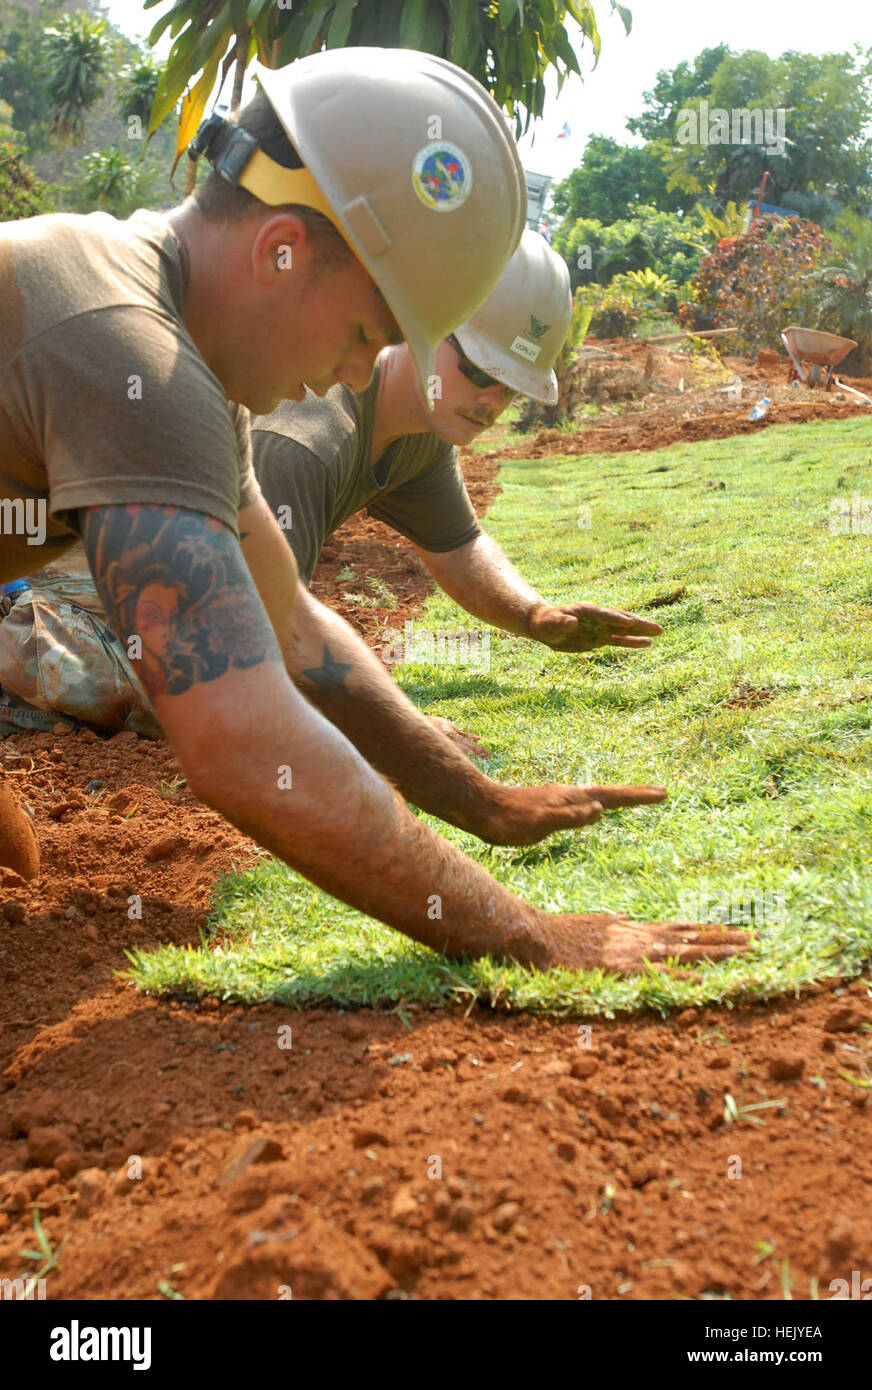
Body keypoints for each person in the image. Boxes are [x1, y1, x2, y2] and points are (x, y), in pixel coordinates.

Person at [0, 49, 749, 973]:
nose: (358, 375)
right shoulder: (133, 353)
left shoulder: (184, 360)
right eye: (367, 333)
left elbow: (299, 633)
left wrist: (479, 800)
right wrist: (531, 936)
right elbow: (241, 738)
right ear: (281, 247)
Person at [251, 228, 663, 764]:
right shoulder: (303, 440)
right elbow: (272, 638)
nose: (492, 402)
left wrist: (535, 617)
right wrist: (402, 730)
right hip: (119, 615)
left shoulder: (420, 426)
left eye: (511, 386)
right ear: (417, 320)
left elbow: (460, 549)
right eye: (477, 370)